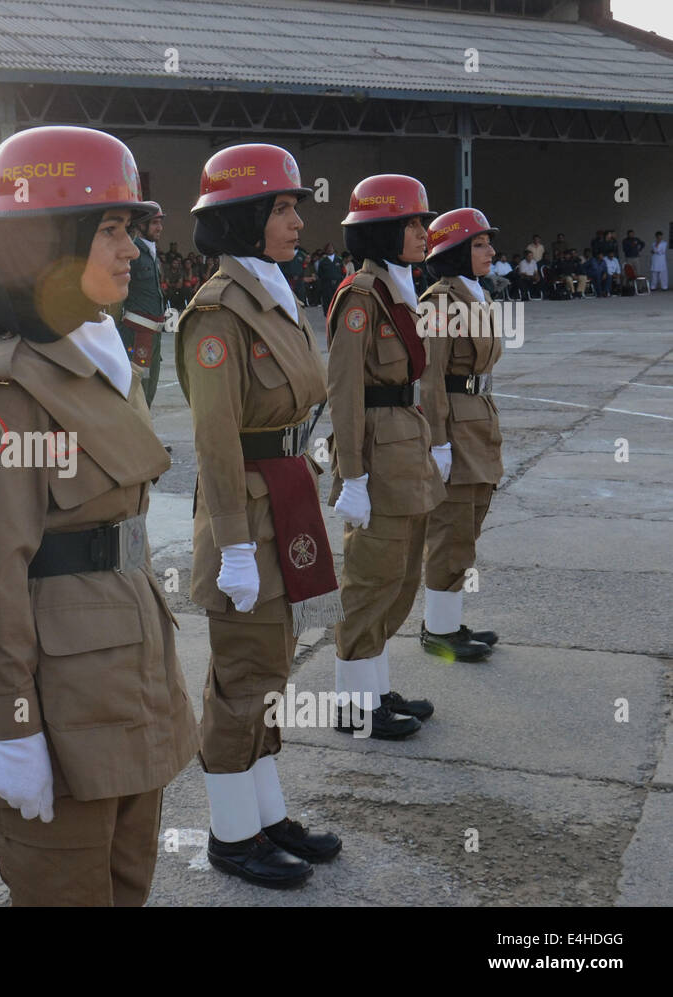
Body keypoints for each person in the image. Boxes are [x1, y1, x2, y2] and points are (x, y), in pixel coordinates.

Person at [0, 124, 198, 906]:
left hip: (130, 669)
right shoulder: (7, 390)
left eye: (131, 229)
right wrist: (16, 729)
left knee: (127, 882)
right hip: (58, 700)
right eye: (110, 230)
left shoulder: (99, 356)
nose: (134, 250)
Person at [177, 143, 344, 888]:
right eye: (281, 207)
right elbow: (215, 439)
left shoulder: (272, 291)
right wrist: (233, 547)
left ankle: (266, 809)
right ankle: (229, 831)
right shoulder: (218, 312)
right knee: (242, 675)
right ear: (245, 218)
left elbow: (304, 397)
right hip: (245, 509)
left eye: (294, 206)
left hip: (284, 491)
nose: (298, 219)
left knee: (270, 665)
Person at [324, 174, 445, 740]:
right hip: (376, 450)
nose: (424, 233)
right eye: (413, 224)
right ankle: (354, 705)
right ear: (382, 230)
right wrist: (352, 475)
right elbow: (345, 390)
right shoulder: (361, 296)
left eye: (423, 223)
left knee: (399, 576)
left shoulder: (397, 288)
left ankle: (375, 685)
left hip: (405, 442)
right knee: (371, 580)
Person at [418, 208, 504, 663]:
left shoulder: (476, 294)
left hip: (480, 419)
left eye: (488, 242)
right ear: (454, 251)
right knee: (451, 531)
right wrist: (438, 441)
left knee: (468, 526)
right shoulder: (440, 302)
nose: (490, 251)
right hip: (454, 423)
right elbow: (430, 378)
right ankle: (439, 630)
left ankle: (447, 619)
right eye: (479, 244)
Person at [118, 201, 168, 406]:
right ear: (141, 225)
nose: (160, 228)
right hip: (138, 334)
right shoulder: (134, 252)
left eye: (160, 222)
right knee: (139, 389)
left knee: (150, 387)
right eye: (154, 223)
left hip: (153, 335)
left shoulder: (152, 254)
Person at [316, 244, 345, 314]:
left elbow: (343, 271)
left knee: (338, 297)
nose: (330, 249)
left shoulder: (339, 260)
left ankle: (338, 312)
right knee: (327, 299)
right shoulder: (323, 261)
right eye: (328, 248)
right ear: (325, 250)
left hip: (337, 282)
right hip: (327, 283)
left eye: (331, 248)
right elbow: (320, 273)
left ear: (334, 249)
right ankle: (328, 313)